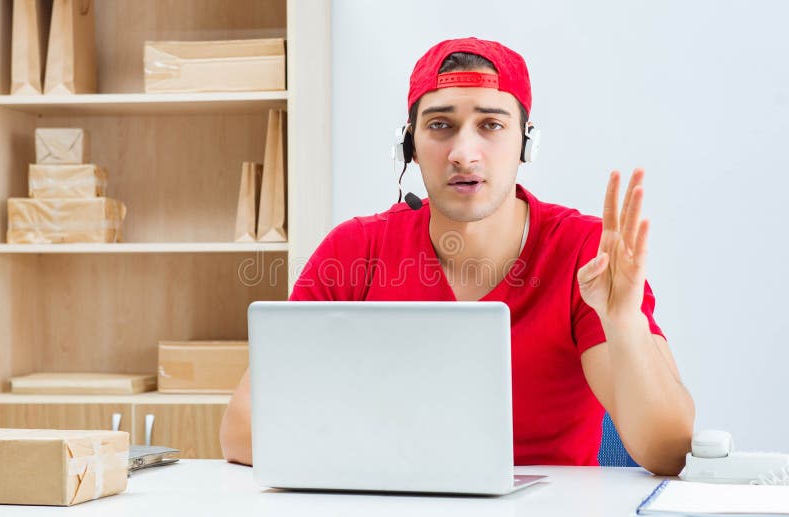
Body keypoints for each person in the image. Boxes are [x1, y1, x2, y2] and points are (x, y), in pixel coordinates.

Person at [220, 37, 695, 475]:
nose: (464, 153)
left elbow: (668, 450)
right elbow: (242, 431)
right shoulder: (355, 250)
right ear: (410, 144)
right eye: (441, 125)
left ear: (525, 141)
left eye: (491, 125)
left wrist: (624, 323)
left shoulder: (586, 254)